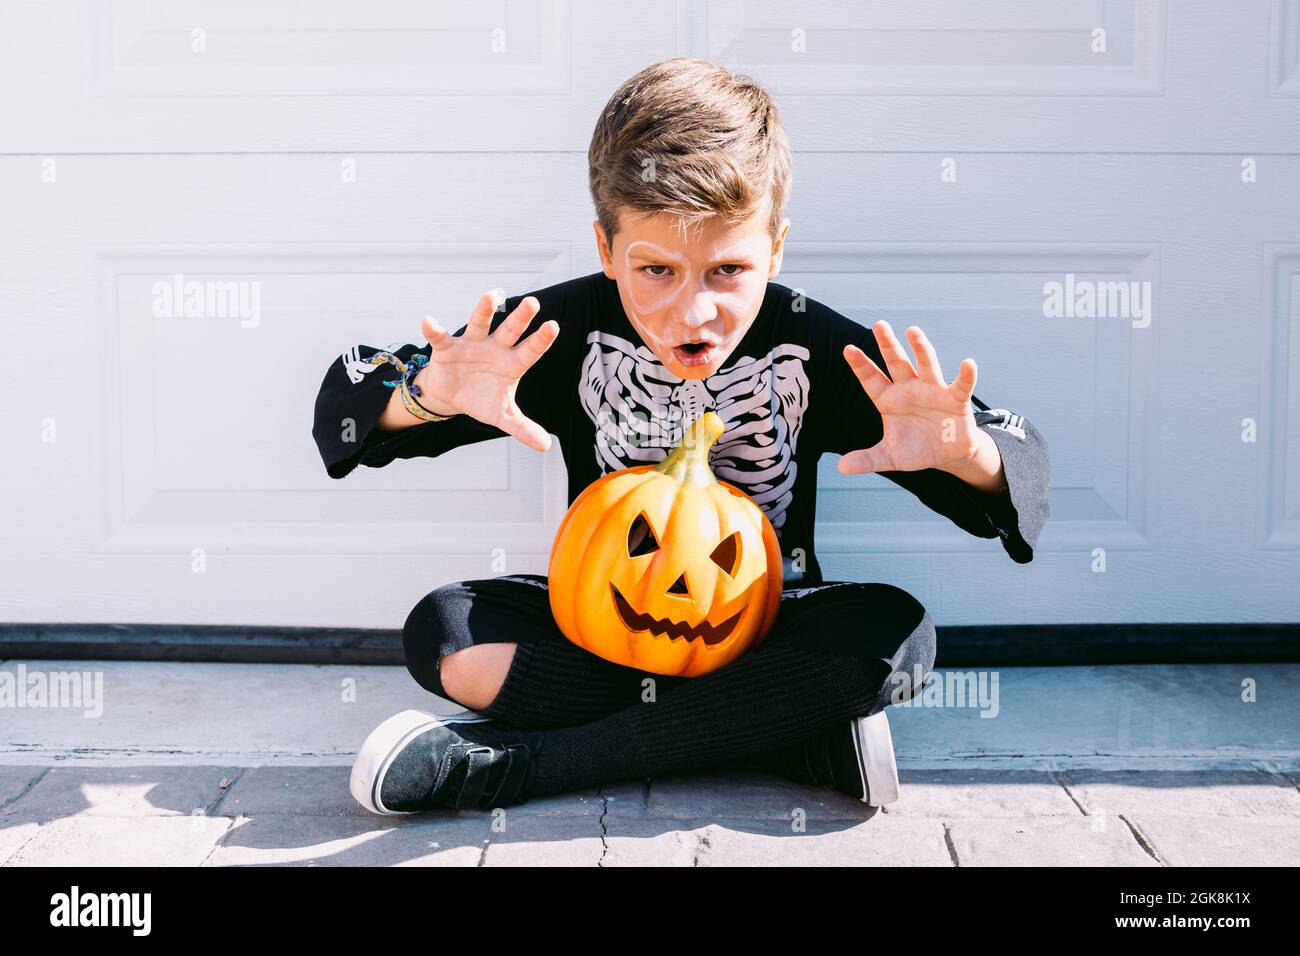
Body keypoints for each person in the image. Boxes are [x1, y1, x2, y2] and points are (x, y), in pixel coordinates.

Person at [312, 58, 1050, 814]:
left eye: (728, 270)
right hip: (602, 621)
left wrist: (972, 457)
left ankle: (519, 765)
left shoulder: (822, 348)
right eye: (656, 269)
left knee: (899, 639)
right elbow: (348, 399)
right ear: (606, 250)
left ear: (777, 248)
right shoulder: (556, 334)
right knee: (447, 631)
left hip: (767, 621)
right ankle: (786, 731)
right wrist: (427, 398)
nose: (692, 312)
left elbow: (1019, 467)